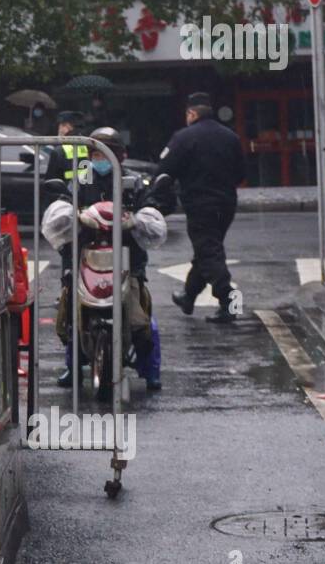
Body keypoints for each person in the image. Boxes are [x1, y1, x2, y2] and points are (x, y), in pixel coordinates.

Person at [41, 127, 170, 395]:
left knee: (141, 320)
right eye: (97, 152)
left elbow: (152, 202)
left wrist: (143, 214)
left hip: (127, 259)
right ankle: (72, 366)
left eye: (107, 152)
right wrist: (69, 212)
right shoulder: (81, 179)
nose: (101, 158)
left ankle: (151, 370)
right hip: (83, 256)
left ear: (120, 155)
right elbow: (64, 198)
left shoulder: (132, 181)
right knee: (70, 313)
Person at [159, 92, 245, 324]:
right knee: (207, 250)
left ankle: (230, 301)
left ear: (192, 113)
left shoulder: (184, 137)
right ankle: (189, 295)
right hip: (226, 203)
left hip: (199, 204)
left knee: (209, 251)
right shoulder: (230, 136)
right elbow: (241, 173)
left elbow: (165, 169)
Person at [44, 111, 89, 185]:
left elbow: (50, 182)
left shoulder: (59, 151)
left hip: (65, 194)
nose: (59, 129)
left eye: (62, 125)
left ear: (69, 127)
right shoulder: (90, 145)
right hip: (85, 193)